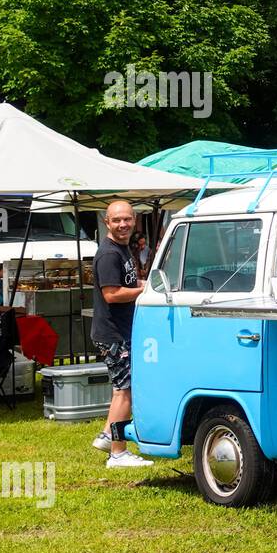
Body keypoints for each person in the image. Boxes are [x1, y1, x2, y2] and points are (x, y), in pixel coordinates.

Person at [90, 200, 152, 467]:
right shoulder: (108, 254)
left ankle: (106, 435)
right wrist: (144, 291)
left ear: (134, 220)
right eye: (117, 220)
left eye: (127, 219)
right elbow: (112, 294)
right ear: (107, 222)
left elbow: (125, 282)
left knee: (121, 391)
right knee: (125, 390)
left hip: (120, 331)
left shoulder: (123, 248)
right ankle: (118, 452)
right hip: (113, 334)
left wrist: (143, 283)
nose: (123, 224)